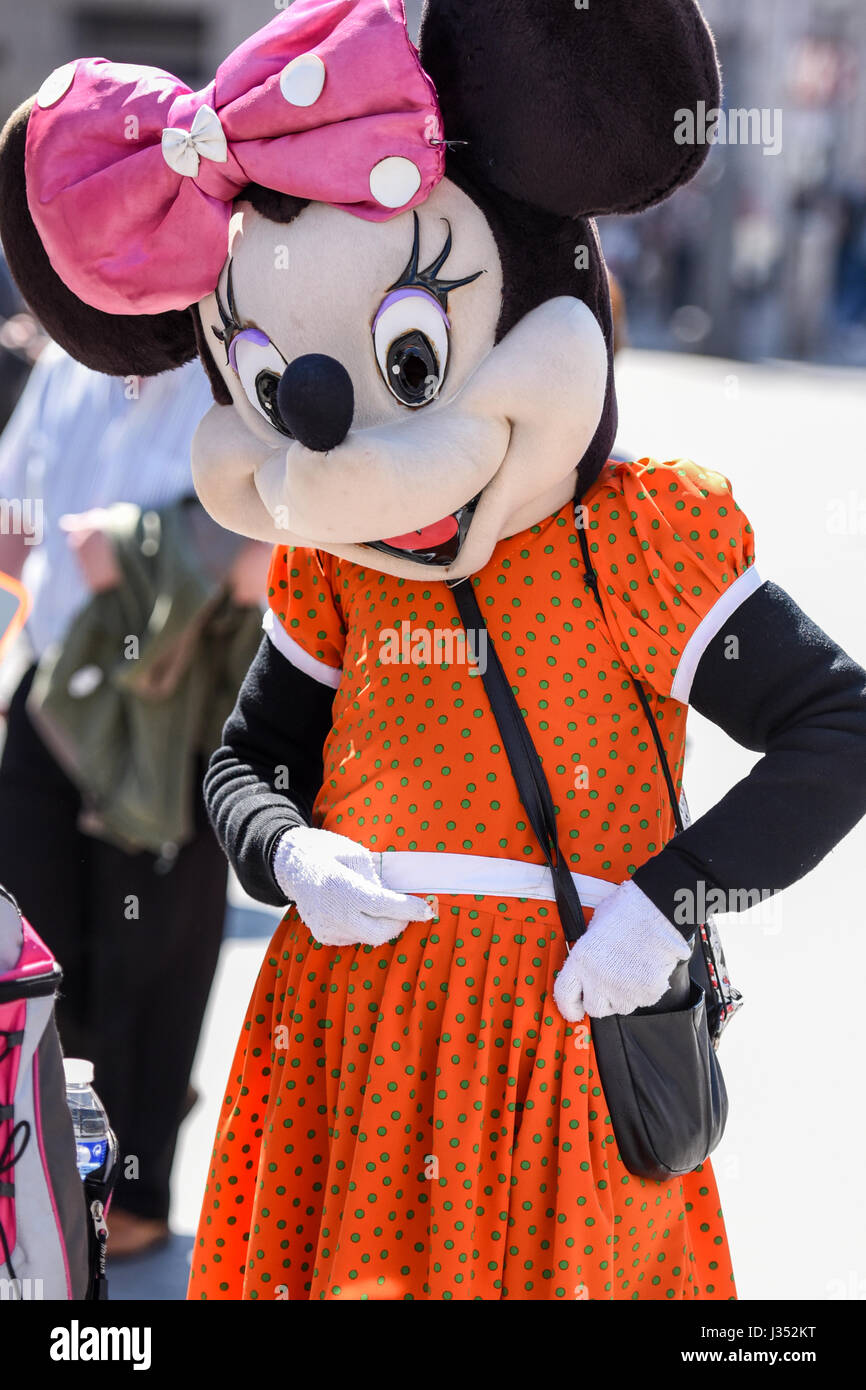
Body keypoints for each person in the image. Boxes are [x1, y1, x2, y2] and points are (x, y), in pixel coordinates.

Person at [0, 344, 268, 1256]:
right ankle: (48, 1168)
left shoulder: (233, 363)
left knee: (156, 953)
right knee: (32, 944)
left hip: (177, 701)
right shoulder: (67, 365)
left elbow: (278, 536)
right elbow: (11, 513)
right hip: (53, 691)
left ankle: (139, 1182)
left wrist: (143, 550)